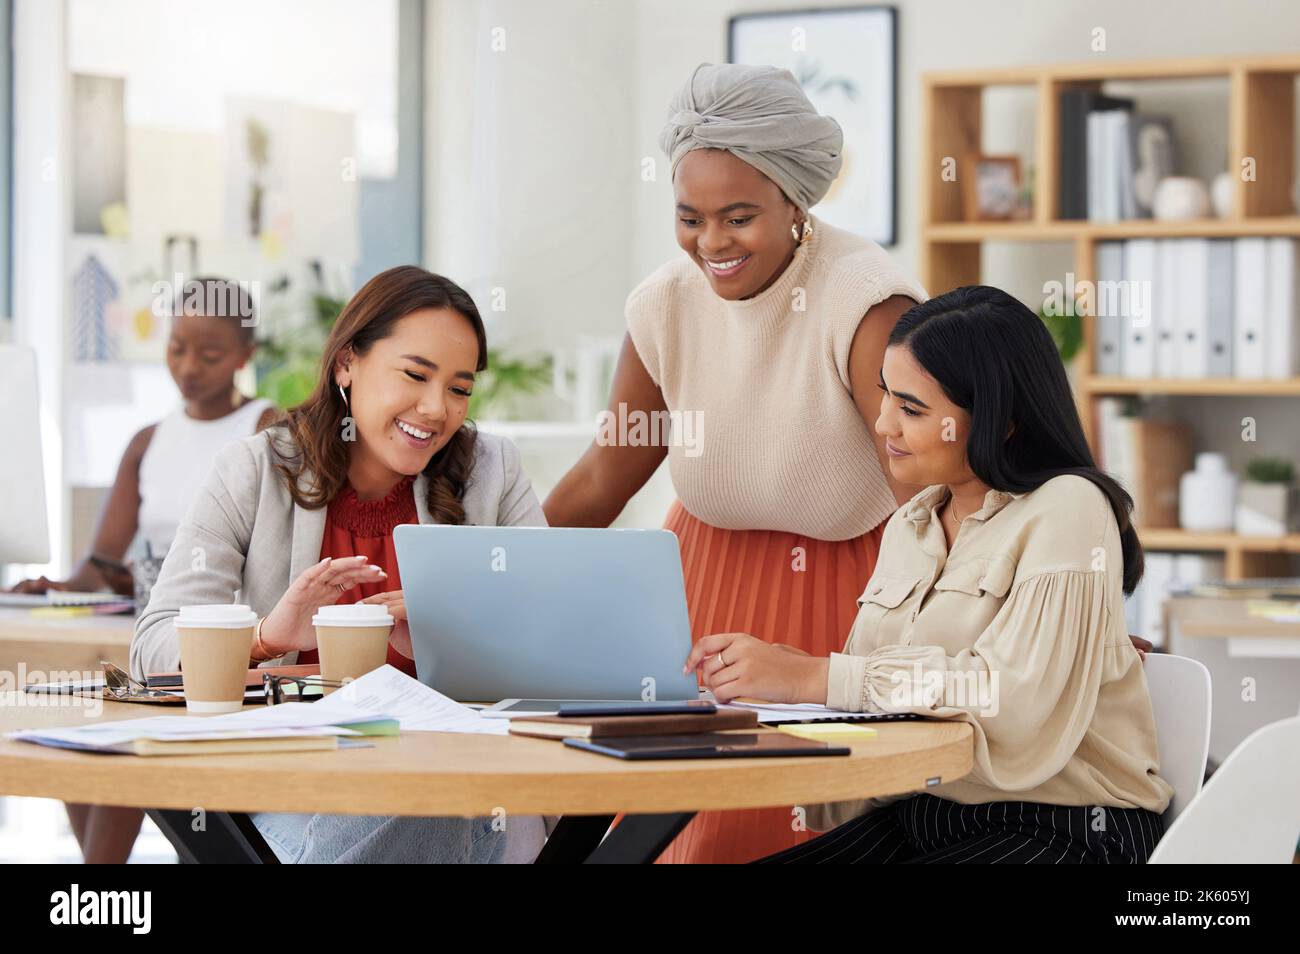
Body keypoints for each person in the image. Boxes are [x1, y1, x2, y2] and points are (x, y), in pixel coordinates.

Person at [544, 62, 930, 863]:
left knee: (784, 839)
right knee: (658, 839)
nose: (711, 243)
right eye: (690, 217)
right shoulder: (664, 302)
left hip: (842, 604)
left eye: (739, 216)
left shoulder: (865, 303)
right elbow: (605, 475)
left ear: (796, 202)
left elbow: (930, 490)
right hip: (695, 603)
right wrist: (490, 566)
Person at [682, 286, 1174, 864]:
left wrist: (816, 679)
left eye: (912, 410)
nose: (884, 424)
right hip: (923, 814)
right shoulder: (911, 525)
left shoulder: (1068, 506)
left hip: (1061, 828)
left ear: (1002, 419)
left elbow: (1009, 700)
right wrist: (784, 683)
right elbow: (877, 697)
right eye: (885, 397)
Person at [131, 265, 548, 863]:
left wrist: (452, 635)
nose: (436, 409)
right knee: (421, 806)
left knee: (440, 797)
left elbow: (550, 635)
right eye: (415, 375)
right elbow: (152, 648)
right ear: (347, 363)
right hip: (292, 783)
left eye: (459, 388)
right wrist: (268, 636)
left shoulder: (491, 472)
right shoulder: (252, 471)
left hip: (463, 777)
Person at [9, 276, 274, 864]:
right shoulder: (147, 440)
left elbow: (269, 552)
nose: (189, 367)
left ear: (246, 356)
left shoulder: (265, 429)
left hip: (220, 640)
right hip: (149, 627)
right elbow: (102, 565)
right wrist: (56, 586)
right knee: (71, 725)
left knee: (123, 731)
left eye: (210, 354)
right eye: (177, 348)